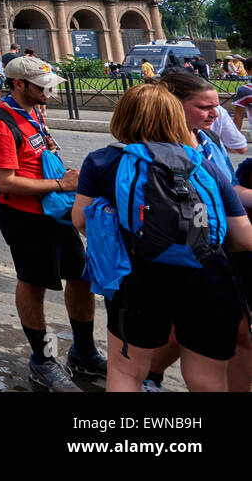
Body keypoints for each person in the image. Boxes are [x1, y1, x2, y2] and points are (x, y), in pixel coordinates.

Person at [72, 83, 252, 392]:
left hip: (137, 278)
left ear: (122, 117)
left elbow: (80, 220)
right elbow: (243, 238)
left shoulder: (102, 161)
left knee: (126, 372)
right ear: (175, 118)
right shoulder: (202, 162)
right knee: (208, 381)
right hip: (207, 278)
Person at [0, 55, 105, 390]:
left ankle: (83, 352)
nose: (49, 92)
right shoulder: (0, 123)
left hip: (54, 211)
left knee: (80, 278)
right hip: (24, 216)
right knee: (33, 284)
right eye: (42, 86)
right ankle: (41, 359)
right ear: (19, 84)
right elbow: (5, 182)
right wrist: (61, 184)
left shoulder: (33, 111)